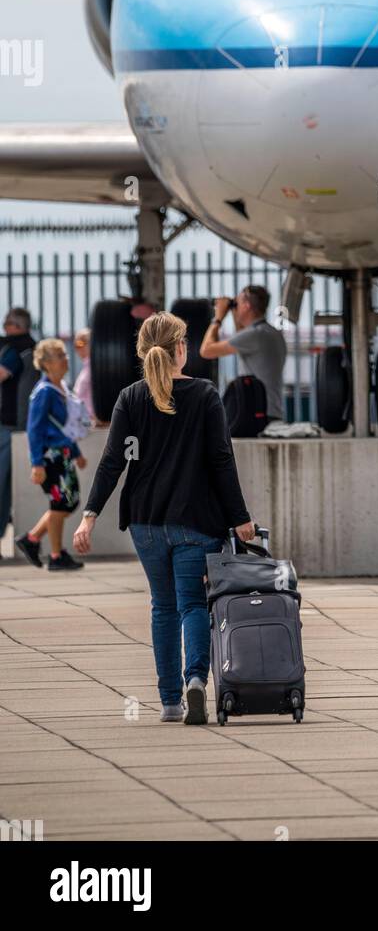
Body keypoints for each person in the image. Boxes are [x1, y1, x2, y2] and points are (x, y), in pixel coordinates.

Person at [72, 311, 255, 724]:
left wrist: (89, 515)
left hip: (145, 524)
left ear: (142, 351)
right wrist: (240, 518)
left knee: (163, 607)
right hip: (195, 522)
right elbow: (222, 461)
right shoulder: (205, 395)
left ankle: (170, 702)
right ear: (180, 349)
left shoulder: (130, 398)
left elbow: (112, 463)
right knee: (193, 605)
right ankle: (195, 681)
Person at [15, 338, 87, 571]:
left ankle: (35, 541)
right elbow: (34, 429)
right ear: (46, 363)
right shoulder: (44, 392)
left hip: (62, 454)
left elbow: (63, 427)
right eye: (60, 356)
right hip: (50, 457)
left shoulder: (61, 389)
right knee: (61, 503)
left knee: (66, 502)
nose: (66, 359)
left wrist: (75, 452)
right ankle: (53, 554)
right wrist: (37, 463)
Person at [199, 284, 286, 422]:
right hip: (271, 411)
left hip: (257, 413)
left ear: (246, 306)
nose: (235, 307)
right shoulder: (271, 332)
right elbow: (241, 337)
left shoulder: (254, 335)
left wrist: (218, 318)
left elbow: (206, 351)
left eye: (237, 304)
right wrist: (234, 313)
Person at [0, 307, 36, 555]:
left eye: (6, 323)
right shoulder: (32, 347)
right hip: (22, 424)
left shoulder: (15, 348)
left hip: (7, 424)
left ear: (15, 325)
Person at [72, 328, 97, 422]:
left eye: (80, 343)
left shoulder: (95, 368)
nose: (76, 348)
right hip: (85, 422)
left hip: (93, 422)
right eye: (76, 344)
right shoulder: (88, 366)